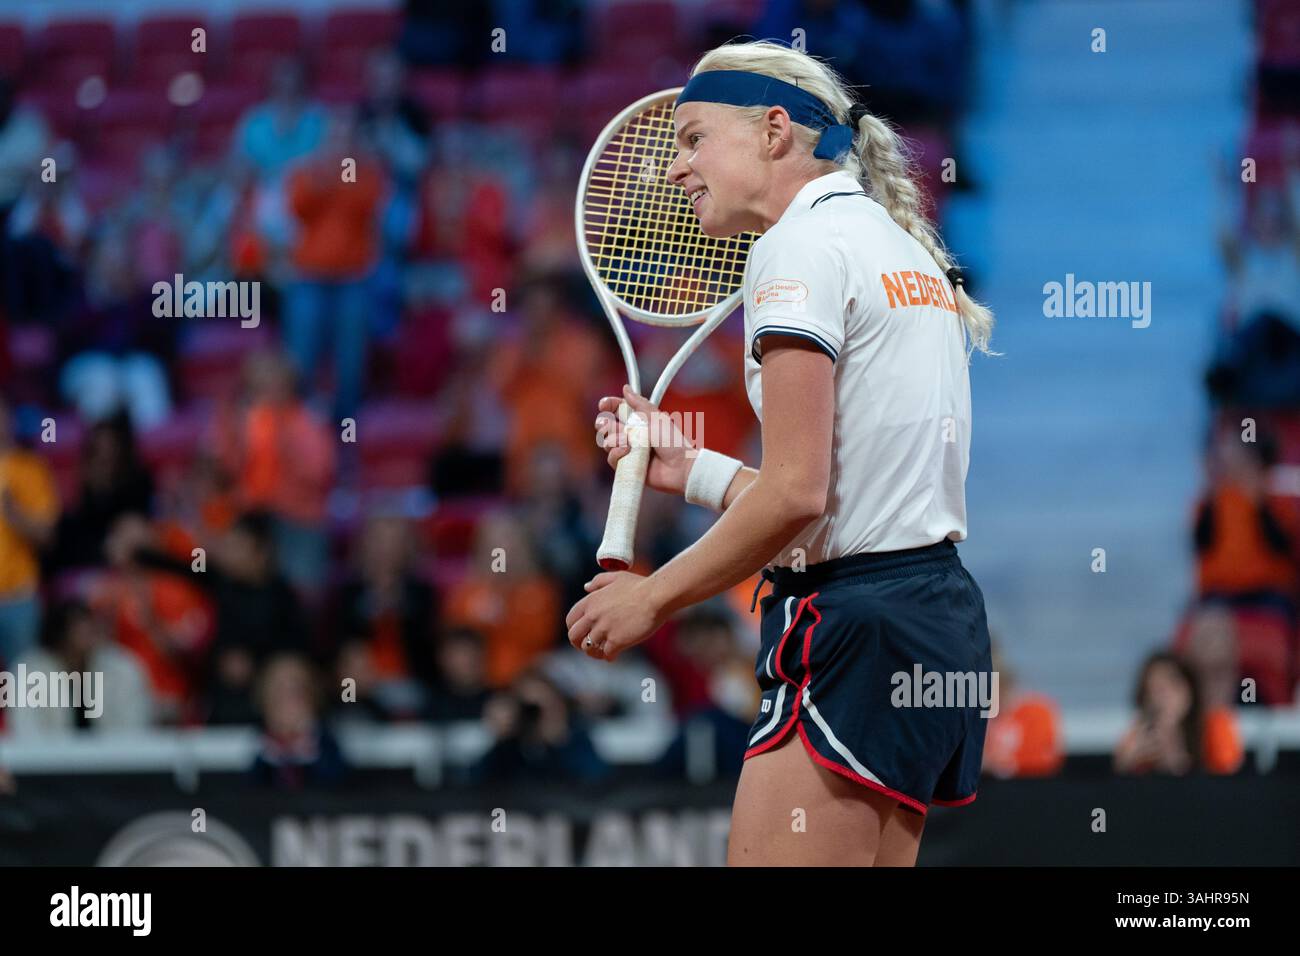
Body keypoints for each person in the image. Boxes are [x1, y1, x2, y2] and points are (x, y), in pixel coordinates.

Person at [568, 40, 997, 866]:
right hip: (929, 620)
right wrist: (688, 468)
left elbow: (799, 496)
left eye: (693, 138)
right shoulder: (901, 248)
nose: (673, 169)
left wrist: (650, 599)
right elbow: (842, 494)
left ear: (773, 131)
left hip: (854, 626)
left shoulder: (793, 252)